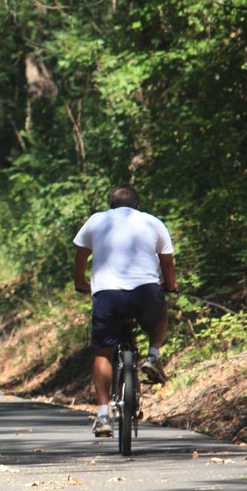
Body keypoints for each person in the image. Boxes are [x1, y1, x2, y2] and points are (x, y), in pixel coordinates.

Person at [72, 185, 177, 437]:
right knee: (160, 315)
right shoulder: (152, 222)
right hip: (145, 291)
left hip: (107, 294)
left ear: (110, 206)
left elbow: (80, 257)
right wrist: (171, 285)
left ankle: (103, 415)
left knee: (104, 352)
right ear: (137, 205)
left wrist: (80, 283)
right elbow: (167, 261)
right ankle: (153, 356)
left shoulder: (96, 221)